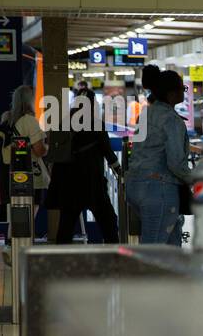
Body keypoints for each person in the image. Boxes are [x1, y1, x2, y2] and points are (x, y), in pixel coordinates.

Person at [125, 70, 194, 246]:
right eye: (182, 88)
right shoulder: (171, 120)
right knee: (153, 247)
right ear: (171, 93)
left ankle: (173, 272)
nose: (183, 92)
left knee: (172, 239)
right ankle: (147, 274)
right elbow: (176, 163)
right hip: (158, 189)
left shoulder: (145, 114)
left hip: (135, 185)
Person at [54, 87, 121, 244]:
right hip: (92, 182)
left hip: (69, 182)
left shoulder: (64, 122)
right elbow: (108, 153)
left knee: (66, 225)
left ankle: (58, 260)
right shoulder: (96, 124)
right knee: (108, 222)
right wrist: (120, 171)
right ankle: (115, 255)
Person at [1, 85, 52, 263]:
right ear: (29, 101)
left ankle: (10, 243)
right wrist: (48, 145)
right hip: (31, 172)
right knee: (30, 209)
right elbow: (39, 150)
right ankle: (21, 246)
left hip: (12, 171)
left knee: (17, 208)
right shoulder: (29, 121)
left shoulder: (8, 119)